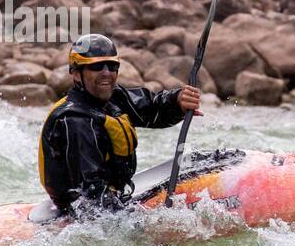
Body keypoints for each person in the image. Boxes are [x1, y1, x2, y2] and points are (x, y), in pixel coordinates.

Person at [39, 33, 202, 215]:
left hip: (111, 198)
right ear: (76, 74)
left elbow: (152, 108)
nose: (107, 73)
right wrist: (141, 221)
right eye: (97, 66)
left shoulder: (114, 97)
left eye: (112, 66)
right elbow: (90, 196)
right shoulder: (73, 120)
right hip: (80, 212)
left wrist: (178, 101)